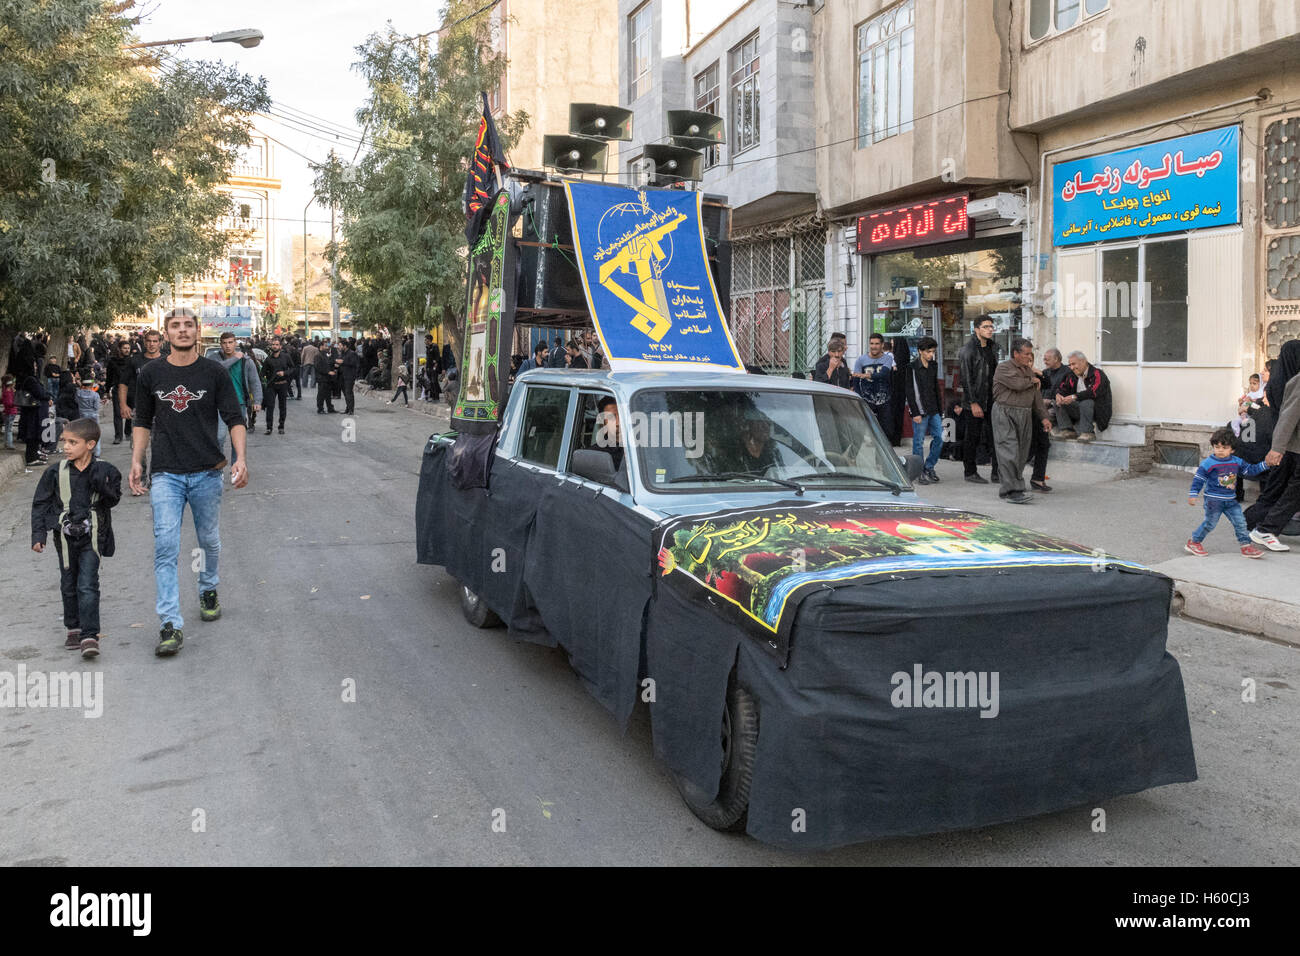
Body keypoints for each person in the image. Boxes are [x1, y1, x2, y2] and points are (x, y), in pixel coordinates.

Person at [131, 308, 247, 657]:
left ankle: (208, 588)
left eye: (188, 325)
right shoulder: (150, 373)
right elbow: (142, 420)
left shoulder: (213, 372)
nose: (182, 331)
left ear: (198, 331)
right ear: (165, 334)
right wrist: (137, 460)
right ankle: (170, 623)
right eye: (175, 326)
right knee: (166, 546)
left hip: (207, 471)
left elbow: (234, 417)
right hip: (166, 474)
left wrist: (241, 458)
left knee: (209, 540)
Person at [31, 418, 122, 659]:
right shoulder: (54, 472)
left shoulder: (106, 470)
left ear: (90, 444)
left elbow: (113, 499)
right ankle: (73, 626)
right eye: (64, 442)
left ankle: (90, 635)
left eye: (73, 442)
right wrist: (38, 534)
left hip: (93, 537)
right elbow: (41, 504)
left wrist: (102, 484)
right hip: (64, 537)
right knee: (68, 583)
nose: (66, 447)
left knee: (88, 583)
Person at [1185, 426, 1270, 558]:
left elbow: (1250, 470)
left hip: (1231, 500)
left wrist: (1266, 464)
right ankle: (1194, 542)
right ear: (1213, 446)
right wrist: (1193, 494)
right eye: (1217, 447)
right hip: (1213, 500)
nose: (1220, 450)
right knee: (1210, 523)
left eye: (1224, 448)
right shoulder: (1208, 463)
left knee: (1240, 522)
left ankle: (1246, 546)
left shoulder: (1237, 461)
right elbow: (1199, 479)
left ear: (1232, 449)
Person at [1248, 340, 1300, 551]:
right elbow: (1288, 416)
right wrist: (1277, 448)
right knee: (1290, 491)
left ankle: (1262, 527)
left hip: (1288, 445)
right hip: (1290, 445)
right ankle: (1265, 529)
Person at [990, 337, 1051, 504]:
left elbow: (1036, 397)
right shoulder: (1003, 368)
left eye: (1031, 354)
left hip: (1024, 414)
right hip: (1005, 413)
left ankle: (1017, 487)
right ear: (1016, 353)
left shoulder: (1028, 370)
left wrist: (1044, 417)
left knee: (1022, 452)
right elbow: (1017, 384)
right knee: (1009, 450)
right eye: (1026, 354)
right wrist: (1033, 379)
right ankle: (1010, 490)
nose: (1030, 357)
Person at [956, 317, 1001, 484]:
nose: (989, 329)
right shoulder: (968, 350)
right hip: (974, 401)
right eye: (985, 327)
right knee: (972, 437)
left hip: (992, 399)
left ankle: (997, 472)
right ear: (976, 329)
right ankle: (970, 471)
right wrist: (973, 402)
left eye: (991, 326)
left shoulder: (992, 348)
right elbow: (966, 379)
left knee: (995, 436)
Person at [215, 332, 262, 464]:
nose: (227, 346)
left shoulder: (246, 361)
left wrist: (257, 401)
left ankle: (236, 466)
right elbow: (220, 369)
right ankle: (219, 464)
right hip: (220, 404)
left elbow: (255, 381)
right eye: (224, 343)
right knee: (219, 437)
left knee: (237, 440)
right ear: (221, 345)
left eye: (230, 342)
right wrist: (236, 358)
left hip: (239, 404)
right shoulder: (215, 359)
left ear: (235, 343)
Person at [905, 336, 943, 484]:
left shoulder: (933, 365)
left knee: (939, 438)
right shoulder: (912, 367)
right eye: (928, 352)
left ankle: (929, 466)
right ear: (920, 351)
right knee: (918, 442)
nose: (930, 355)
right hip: (920, 410)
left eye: (932, 352)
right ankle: (918, 470)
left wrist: (940, 409)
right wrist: (915, 412)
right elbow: (910, 391)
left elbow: (935, 388)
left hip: (933, 409)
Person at [1030, 348, 1069, 492]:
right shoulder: (1042, 373)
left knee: (1042, 442)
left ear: (1057, 359)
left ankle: (1037, 478)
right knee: (1036, 442)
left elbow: (1063, 391)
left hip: (1054, 407)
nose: (1044, 361)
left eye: (1047, 359)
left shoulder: (1066, 372)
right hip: (1035, 410)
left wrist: (1049, 400)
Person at [1053, 351, 1112, 441]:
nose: (1072, 368)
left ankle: (1088, 432)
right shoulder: (1071, 375)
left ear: (1083, 361)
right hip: (1079, 409)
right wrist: (1058, 395)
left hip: (1097, 411)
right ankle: (1068, 430)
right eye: (1070, 365)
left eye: (1074, 364)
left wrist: (1074, 397)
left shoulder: (1097, 374)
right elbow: (1062, 388)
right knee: (1057, 402)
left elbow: (1093, 392)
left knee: (1086, 402)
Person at [852, 333, 896, 431]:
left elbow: (884, 374)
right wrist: (859, 397)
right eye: (871, 343)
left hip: (884, 399)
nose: (874, 346)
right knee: (867, 430)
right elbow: (855, 381)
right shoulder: (861, 359)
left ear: (882, 345)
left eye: (876, 344)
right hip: (867, 400)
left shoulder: (888, 358)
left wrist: (865, 375)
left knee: (887, 430)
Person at [261, 336, 294, 434]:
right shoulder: (268, 359)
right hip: (271, 386)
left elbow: (292, 368)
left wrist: (285, 373)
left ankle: (281, 426)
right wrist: (265, 381)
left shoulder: (286, 357)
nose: (274, 346)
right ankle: (269, 428)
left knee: (282, 406)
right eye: (273, 345)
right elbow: (262, 373)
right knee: (270, 406)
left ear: (280, 346)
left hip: (283, 385)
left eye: (276, 345)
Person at [105, 340, 133, 443]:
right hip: (117, 389)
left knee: (130, 412)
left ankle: (128, 432)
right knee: (117, 413)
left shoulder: (132, 361)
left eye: (128, 348)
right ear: (119, 349)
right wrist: (107, 390)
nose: (127, 350)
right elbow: (109, 377)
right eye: (125, 348)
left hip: (130, 389)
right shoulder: (112, 362)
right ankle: (118, 436)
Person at [75, 376, 102, 458]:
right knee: (96, 433)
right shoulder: (95, 395)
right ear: (91, 385)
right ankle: (97, 452)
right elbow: (96, 407)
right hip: (93, 415)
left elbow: (76, 401)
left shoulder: (78, 393)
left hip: (83, 414)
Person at [314, 341, 338, 414]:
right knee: (321, 394)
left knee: (328, 394)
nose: (327, 347)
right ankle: (320, 408)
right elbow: (318, 367)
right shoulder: (318, 355)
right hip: (322, 378)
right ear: (321, 346)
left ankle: (330, 408)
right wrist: (327, 372)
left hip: (327, 378)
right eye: (325, 346)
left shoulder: (325, 354)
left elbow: (327, 364)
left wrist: (334, 367)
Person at [340, 339, 360, 414]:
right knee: (345, 393)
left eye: (340, 346)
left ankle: (351, 410)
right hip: (343, 376)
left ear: (345, 346)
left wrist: (343, 362)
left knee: (349, 393)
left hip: (350, 376)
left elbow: (354, 364)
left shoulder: (352, 353)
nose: (339, 347)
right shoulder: (343, 353)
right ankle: (347, 408)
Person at [2, 374, 16, 450]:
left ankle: (6, 443)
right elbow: (9, 403)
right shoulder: (8, 392)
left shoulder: (7, 391)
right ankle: (9, 444)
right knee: (9, 429)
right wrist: (15, 403)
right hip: (10, 412)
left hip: (8, 412)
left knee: (7, 429)